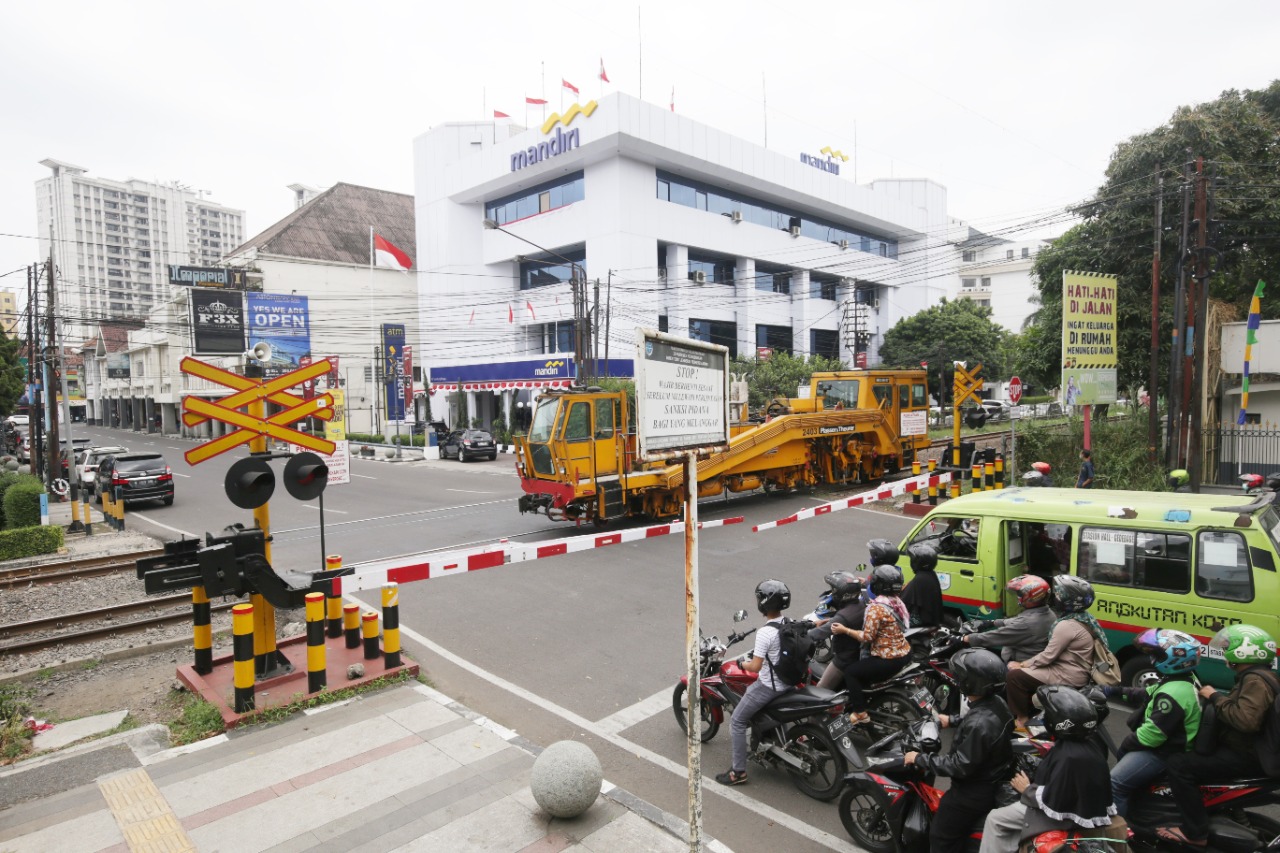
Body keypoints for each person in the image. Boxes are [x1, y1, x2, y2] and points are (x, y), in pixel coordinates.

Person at [1159, 625, 1279, 847]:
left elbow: (1245, 720)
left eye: (1227, 647)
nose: (1224, 651)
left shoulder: (1255, 680)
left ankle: (1194, 832)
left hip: (1248, 755)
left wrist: (1215, 696)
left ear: (1244, 651)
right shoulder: (1260, 676)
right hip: (1250, 750)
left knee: (1179, 765)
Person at [979, 685, 1121, 853]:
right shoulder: (1089, 744)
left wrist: (1026, 789)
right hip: (1087, 808)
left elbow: (1053, 798)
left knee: (996, 819)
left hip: (1064, 816)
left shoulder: (1069, 756)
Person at [904, 648, 1014, 853]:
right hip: (995, 777)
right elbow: (982, 720)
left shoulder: (978, 724)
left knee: (940, 836)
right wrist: (952, 720)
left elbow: (959, 765)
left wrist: (920, 758)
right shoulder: (997, 702)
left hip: (973, 792)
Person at [1105, 628, 1203, 819]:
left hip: (1162, 752)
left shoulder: (1173, 693)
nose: (1152, 660)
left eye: (1157, 655)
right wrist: (1111, 691)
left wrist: (1126, 745)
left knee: (1114, 784)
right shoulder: (1183, 680)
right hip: (1171, 746)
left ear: (1173, 659)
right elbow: (1147, 692)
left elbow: (1152, 735)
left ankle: (1116, 837)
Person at [715, 579, 792, 787]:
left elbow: (756, 667)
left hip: (770, 686)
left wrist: (743, 663)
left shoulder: (765, 633)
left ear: (764, 603)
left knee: (738, 721)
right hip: (789, 682)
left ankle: (738, 772)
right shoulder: (788, 622)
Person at [1005, 576, 1102, 729]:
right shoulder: (1085, 618)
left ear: (1068, 601)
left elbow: (1047, 657)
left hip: (1068, 674)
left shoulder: (1066, 625)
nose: (1055, 597)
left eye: (1059, 595)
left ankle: (1022, 719)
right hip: (1078, 670)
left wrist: (1021, 664)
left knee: (1014, 676)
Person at [830, 564, 911, 726]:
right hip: (904, 653)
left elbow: (867, 637)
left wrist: (845, 630)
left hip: (888, 659)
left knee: (851, 672)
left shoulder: (876, 608)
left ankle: (860, 713)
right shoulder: (895, 601)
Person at [964, 575, 1054, 663]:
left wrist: (963, 639)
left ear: (1032, 597)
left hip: (1018, 665)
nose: (1018, 597)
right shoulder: (1047, 613)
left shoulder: (1027, 623)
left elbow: (994, 637)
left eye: (1020, 594)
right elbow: (1016, 621)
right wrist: (991, 623)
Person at [814, 571, 867, 690]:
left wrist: (797, 635)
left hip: (844, 660)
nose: (832, 593)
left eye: (833, 590)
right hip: (858, 655)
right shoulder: (861, 604)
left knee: (820, 690)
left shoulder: (843, 616)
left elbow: (818, 633)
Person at [901, 543, 943, 628]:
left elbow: (904, 601)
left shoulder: (920, 579)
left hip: (921, 620)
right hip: (932, 619)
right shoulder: (931, 574)